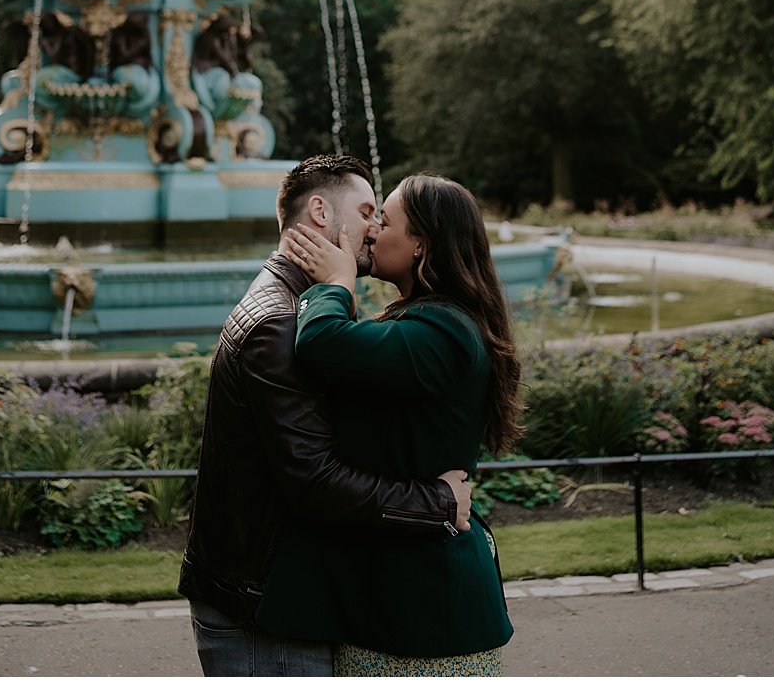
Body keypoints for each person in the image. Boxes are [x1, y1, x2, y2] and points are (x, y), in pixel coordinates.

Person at [179, 154, 471, 676]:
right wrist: (437, 502)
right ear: (320, 212)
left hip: (272, 597)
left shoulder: (294, 302)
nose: (375, 229)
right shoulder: (283, 323)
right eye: (366, 212)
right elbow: (314, 479)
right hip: (262, 609)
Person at [272, 174, 519, 674]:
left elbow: (322, 343)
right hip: (396, 599)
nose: (370, 231)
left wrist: (334, 284)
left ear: (420, 244)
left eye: (383, 222)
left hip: (428, 612)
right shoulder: (427, 322)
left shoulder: (442, 332)